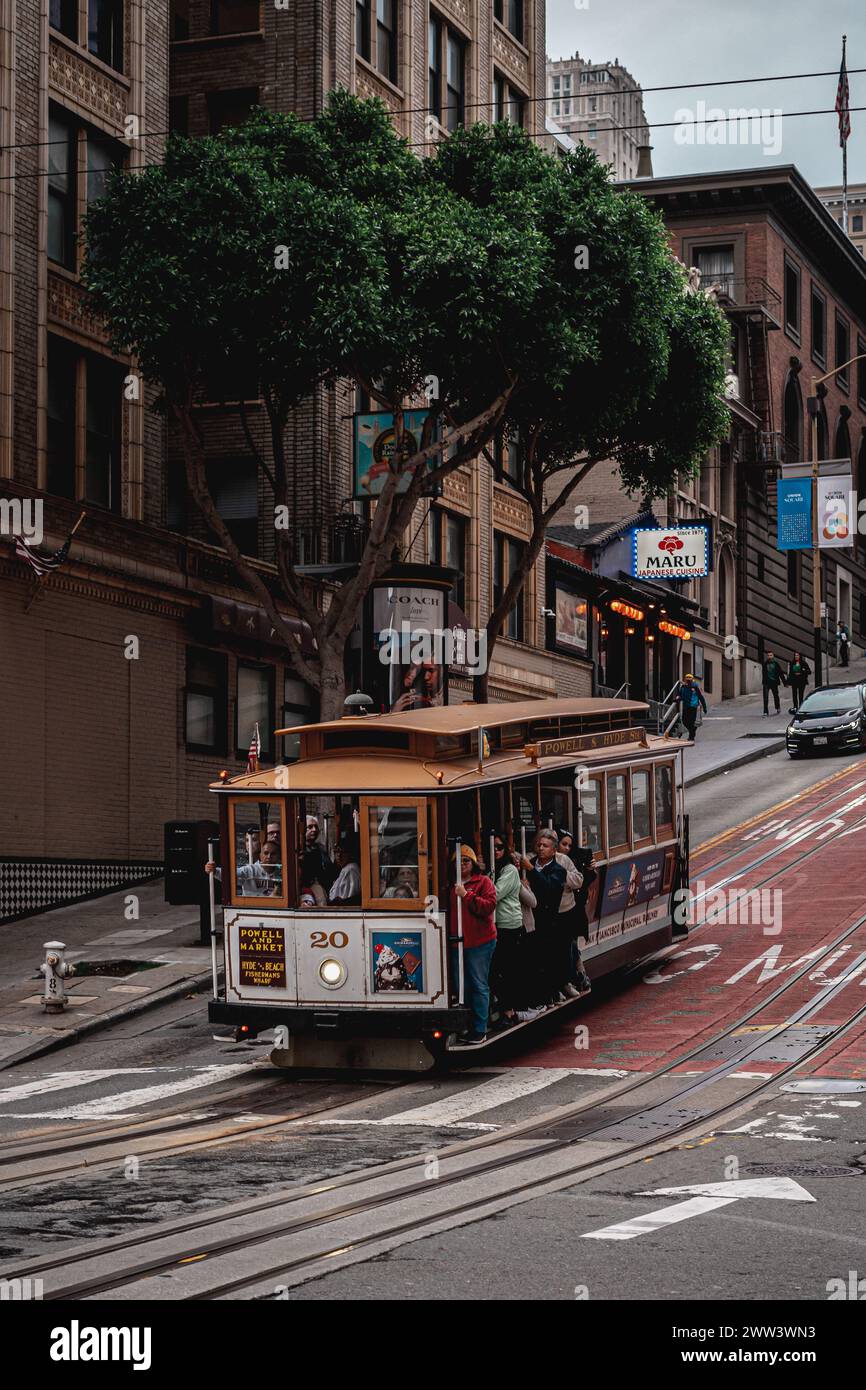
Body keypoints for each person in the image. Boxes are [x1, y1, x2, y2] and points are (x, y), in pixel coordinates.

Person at [450, 845, 497, 1045]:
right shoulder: (448, 885)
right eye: (458, 862)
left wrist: (466, 895)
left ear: (473, 864)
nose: (462, 865)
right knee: (461, 986)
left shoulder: (483, 882)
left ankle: (480, 1028)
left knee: (478, 984)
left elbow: (488, 907)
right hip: (456, 943)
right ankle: (465, 1025)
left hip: (479, 941)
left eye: (466, 861)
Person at [524, 830, 568, 1006]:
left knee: (547, 961)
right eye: (539, 845)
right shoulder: (530, 864)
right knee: (532, 960)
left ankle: (549, 995)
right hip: (528, 919)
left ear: (554, 850)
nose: (541, 849)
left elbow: (549, 889)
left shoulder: (558, 870)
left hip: (548, 922)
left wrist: (531, 872)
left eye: (545, 846)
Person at [490, 835, 525, 1025]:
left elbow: (495, 894)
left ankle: (508, 1011)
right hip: (493, 925)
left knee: (505, 969)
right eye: (492, 847)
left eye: (499, 847)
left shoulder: (510, 870)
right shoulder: (491, 869)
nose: (495, 851)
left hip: (508, 925)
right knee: (495, 970)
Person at [556, 830, 592, 996]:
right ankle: (576, 977)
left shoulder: (573, 861)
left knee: (571, 943)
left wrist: (590, 870)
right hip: (562, 911)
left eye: (570, 845)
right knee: (567, 944)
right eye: (564, 844)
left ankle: (579, 976)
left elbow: (582, 883)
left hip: (574, 911)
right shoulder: (556, 861)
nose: (567, 848)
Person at [205, 839, 282, 897]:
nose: (269, 857)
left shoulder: (282, 872)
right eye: (266, 853)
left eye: (273, 854)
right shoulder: (250, 870)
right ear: (260, 855)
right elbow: (230, 874)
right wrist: (214, 870)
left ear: (278, 856)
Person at [302, 816, 337, 896]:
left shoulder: (321, 848)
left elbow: (329, 869)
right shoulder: (298, 849)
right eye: (310, 827)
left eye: (316, 827)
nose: (314, 830)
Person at [328, 836, 362, 905]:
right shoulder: (344, 868)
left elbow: (345, 898)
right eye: (336, 852)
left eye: (342, 852)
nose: (339, 855)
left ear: (350, 854)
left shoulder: (350, 869)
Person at [678, 673, 708, 742]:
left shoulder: (695, 687)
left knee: (691, 722)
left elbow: (701, 697)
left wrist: (704, 707)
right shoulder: (683, 687)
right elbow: (680, 695)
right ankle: (693, 731)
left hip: (693, 707)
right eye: (687, 680)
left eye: (690, 680)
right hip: (685, 707)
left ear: (692, 680)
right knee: (685, 721)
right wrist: (677, 699)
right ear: (685, 680)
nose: (688, 681)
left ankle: (691, 737)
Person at [762, 651, 785, 717]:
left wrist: (784, 682)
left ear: (773, 656)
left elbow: (780, 673)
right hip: (766, 683)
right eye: (768, 655)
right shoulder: (765, 664)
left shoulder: (776, 664)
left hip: (774, 682)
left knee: (776, 696)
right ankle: (765, 711)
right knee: (765, 697)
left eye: (771, 655)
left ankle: (778, 707)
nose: (769, 656)